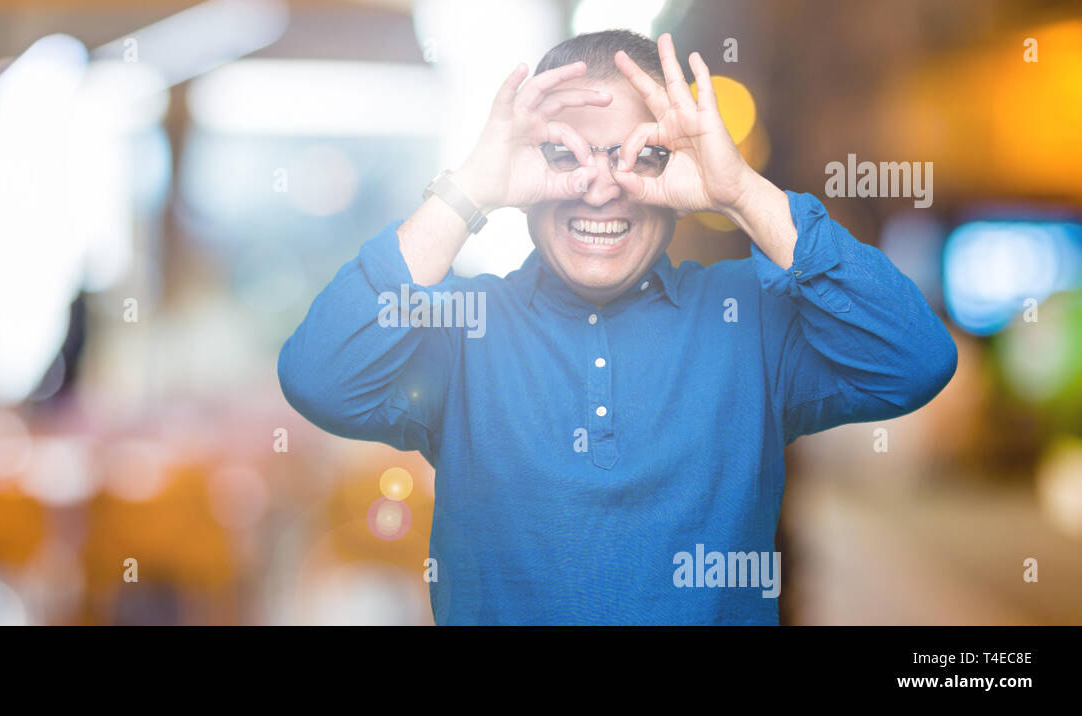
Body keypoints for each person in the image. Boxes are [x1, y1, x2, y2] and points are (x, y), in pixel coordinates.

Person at [277, 29, 957, 624]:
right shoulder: (461, 328)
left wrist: (741, 191)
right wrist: (470, 189)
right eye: (564, 155)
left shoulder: (751, 315)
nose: (600, 187)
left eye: (642, 154)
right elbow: (318, 377)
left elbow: (916, 359)